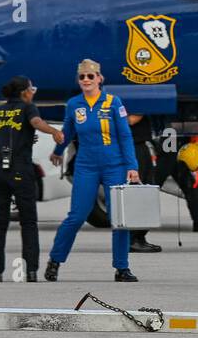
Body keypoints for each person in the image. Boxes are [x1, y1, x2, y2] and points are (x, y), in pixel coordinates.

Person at [45, 60, 141, 282]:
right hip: (86, 166)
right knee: (76, 216)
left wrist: (132, 167)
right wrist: (58, 150)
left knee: (118, 218)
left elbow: (125, 136)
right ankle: (55, 261)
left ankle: (122, 268)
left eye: (91, 76)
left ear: (100, 78)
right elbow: (67, 131)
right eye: (82, 77)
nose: (86, 80)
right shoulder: (74, 104)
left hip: (114, 166)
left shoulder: (113, 103)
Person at [0, 75, 63, 282]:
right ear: (24, 92)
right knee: (28, 222)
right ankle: (30, 271)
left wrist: (21, 134)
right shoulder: (28, 108)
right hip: (21, 169)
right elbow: (36, 122)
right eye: (32, 89)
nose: (33, 92)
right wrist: (54, 131)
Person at [125, 113, 165, 252]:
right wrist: (144, 107)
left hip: (139, 145)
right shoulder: (133, 95)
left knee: (146, 191)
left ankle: (138, 237)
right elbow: (131, 119)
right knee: (140, 193)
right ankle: (133, 238)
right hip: (134, 146)